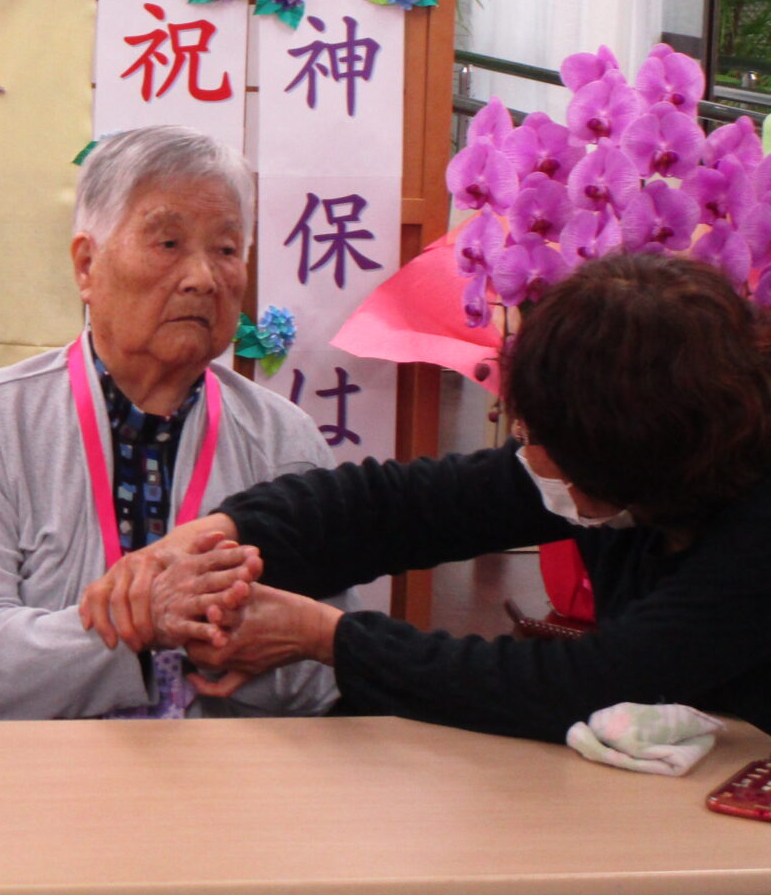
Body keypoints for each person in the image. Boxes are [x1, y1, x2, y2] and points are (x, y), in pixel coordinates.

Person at [83, 251, 771, 742]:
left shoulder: (747, 535)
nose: (526, 457)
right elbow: (391, 509)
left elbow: (580, 684)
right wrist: (212, 538)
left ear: (631, 457)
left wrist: (325, 637)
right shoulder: (622, 455)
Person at [0, 126, 351, 720]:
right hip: (29, 784)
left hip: (225, 785)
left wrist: (217, 629)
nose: (203, 277)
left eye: (227, 250)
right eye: (168, 243)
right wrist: (142, 629)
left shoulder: (285, 440)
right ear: (87, 265)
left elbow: (323, 674)